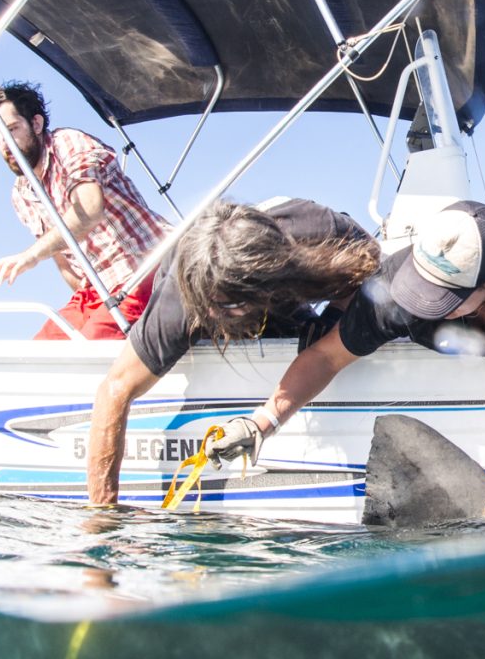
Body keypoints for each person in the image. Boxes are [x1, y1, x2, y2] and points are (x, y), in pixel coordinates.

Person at [212, 202, 485, 520]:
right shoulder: (396, 287)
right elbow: (326, 357)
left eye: (444, 296)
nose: (425, 303)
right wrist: (261, 422)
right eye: (423, 286)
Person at [83, 198, 380, 506]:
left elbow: (371, 260)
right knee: (205, 318)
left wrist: (334, 322)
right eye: (212, 306)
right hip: (195, 304)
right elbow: (114, 390)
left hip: (279, 293)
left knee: (319, 336)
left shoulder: (317, 231)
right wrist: (104, 510)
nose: (215, 313)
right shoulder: (181, 308)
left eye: (225, 305)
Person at [0, 81, 168, 342]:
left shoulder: (67, 143)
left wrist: (30, 256)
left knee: (90, 345)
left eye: (11, 130)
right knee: (36, 353)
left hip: (143, 268)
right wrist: (87, 308)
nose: (4, 144)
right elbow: (62, 261)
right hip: (97, 289)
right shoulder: (21, 194)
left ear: (36, 124)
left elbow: (89, 210)